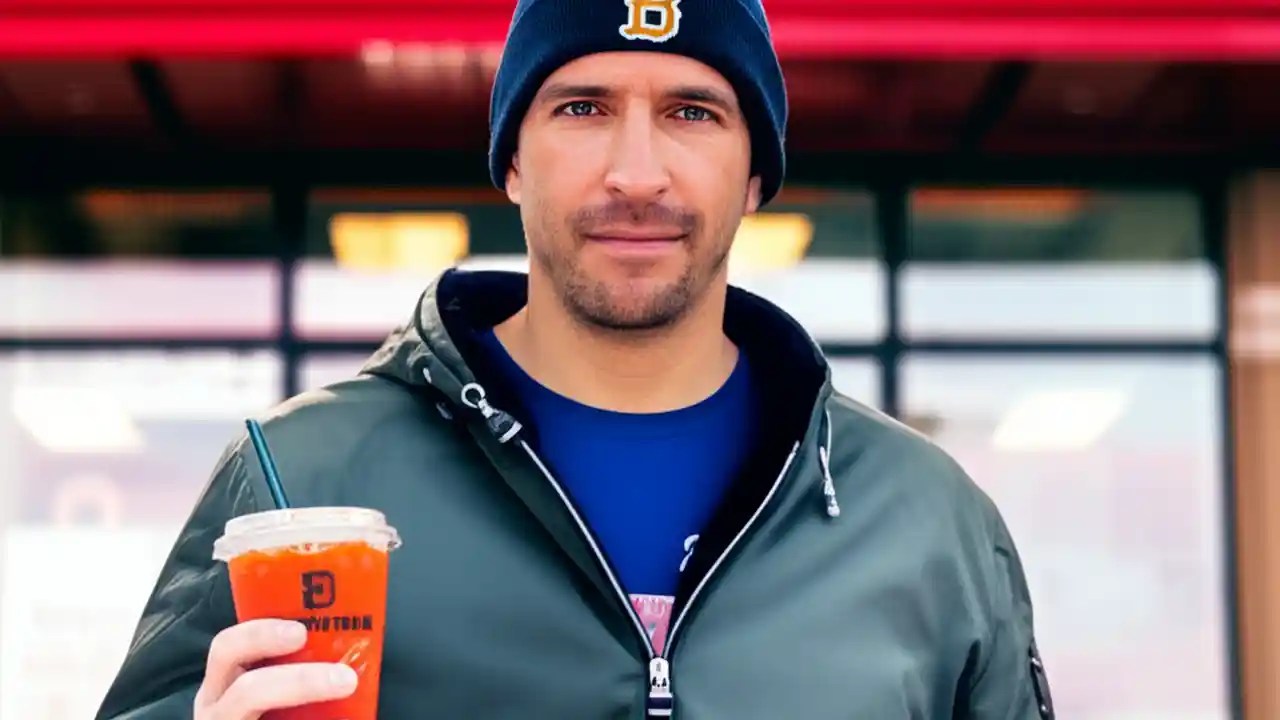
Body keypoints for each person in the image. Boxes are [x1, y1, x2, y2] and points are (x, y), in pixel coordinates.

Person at [96, 0, 1055, 718]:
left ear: (757, 172)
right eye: (584, 107)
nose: (636, 174)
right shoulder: (298, 484)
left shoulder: (930, 520)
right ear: (511, 160)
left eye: (692, 113)